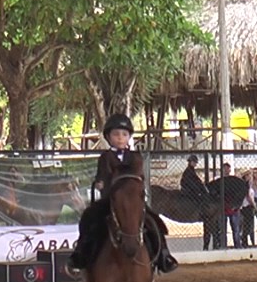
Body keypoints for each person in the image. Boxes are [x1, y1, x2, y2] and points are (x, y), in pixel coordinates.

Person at [67, 114, 178, 273]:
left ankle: (163, 256)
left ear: (129, 137)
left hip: (133, 201)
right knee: (89, 218)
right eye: (116, 134)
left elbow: (138, 176)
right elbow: (102, 177)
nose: (120, 138)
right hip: (110, 200)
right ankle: (80, 254)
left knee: (155, 221)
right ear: (108, 137)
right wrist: (100, 183)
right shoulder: (105, 157)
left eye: (124, 134)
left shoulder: (135, 157)